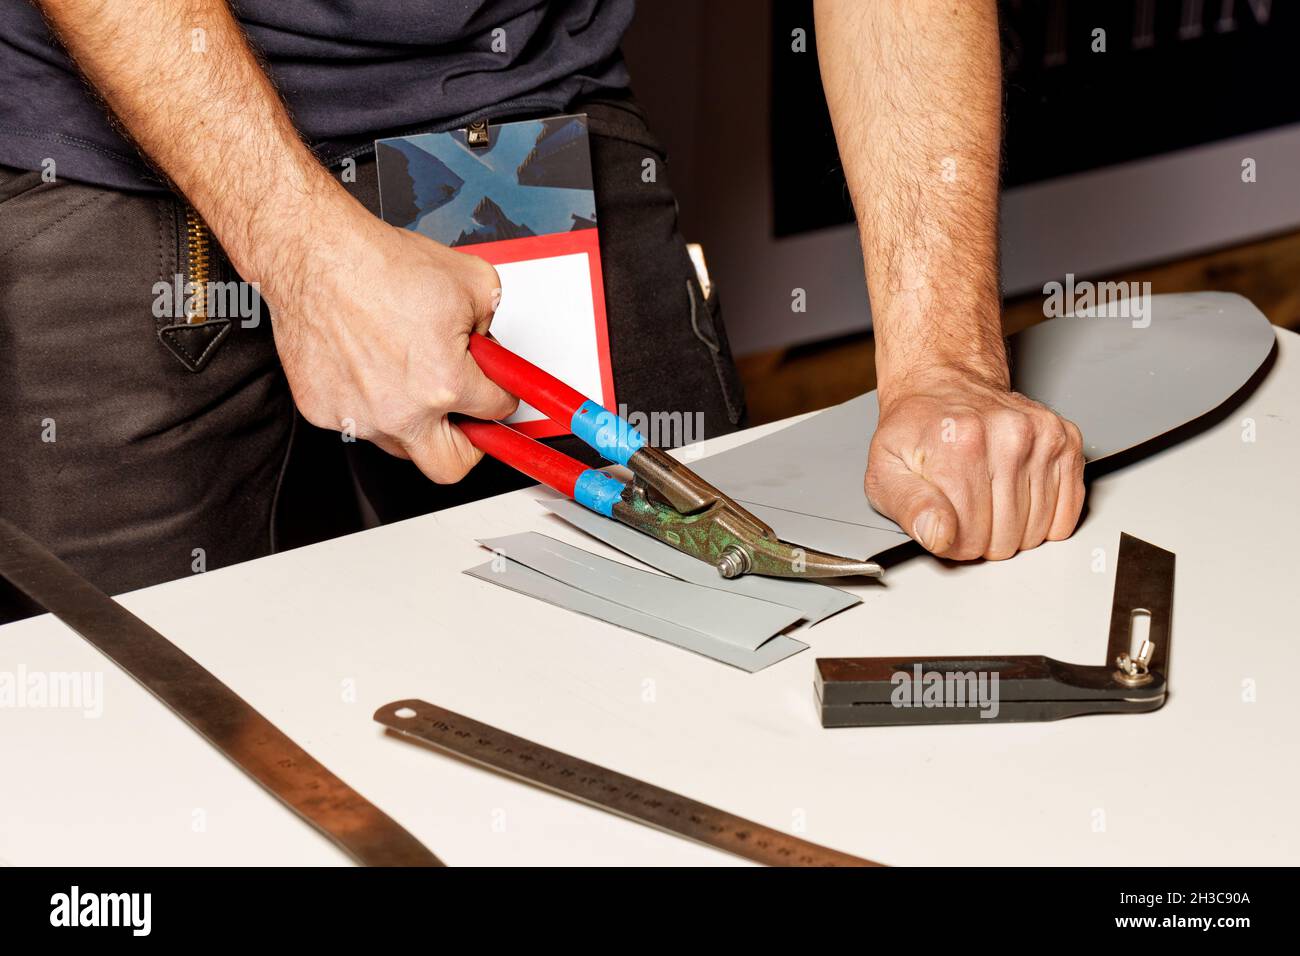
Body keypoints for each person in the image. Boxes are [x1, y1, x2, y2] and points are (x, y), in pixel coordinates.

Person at [0, 0, 1082, 616]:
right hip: (115, 130)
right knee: (134, 738)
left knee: (711, 633)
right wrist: (301, 250)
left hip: (514, 105)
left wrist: (946, 360)